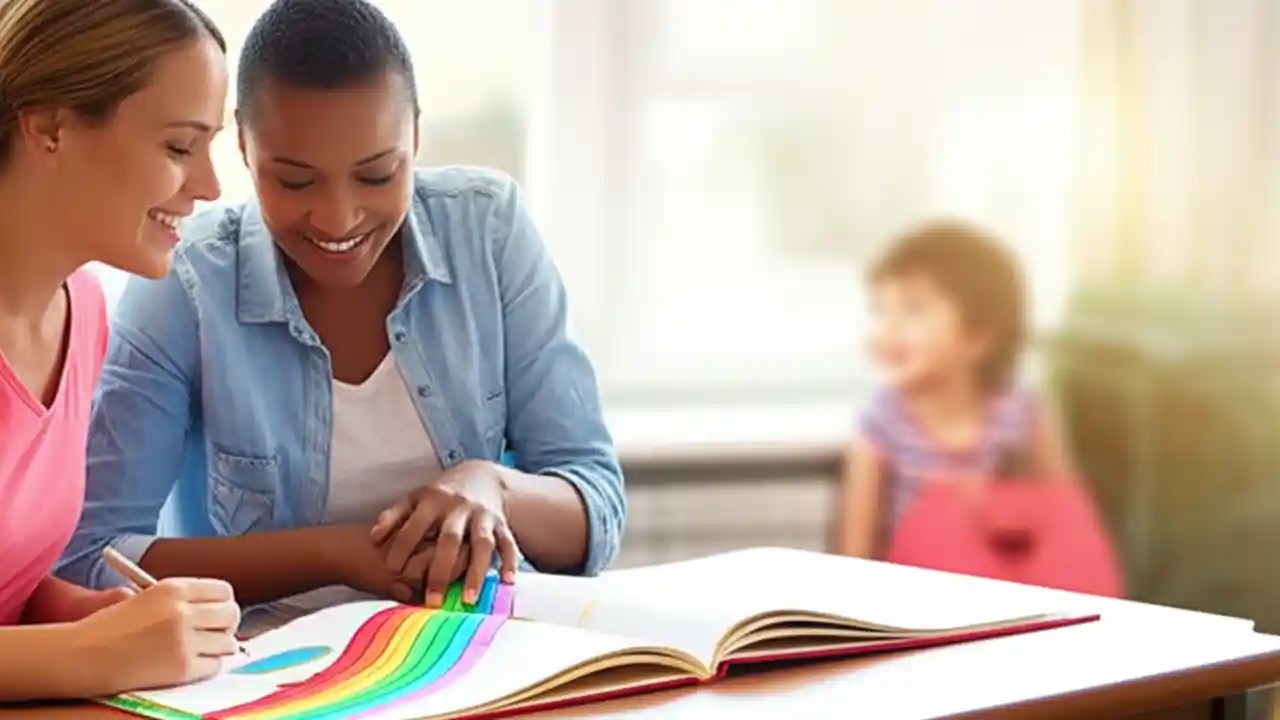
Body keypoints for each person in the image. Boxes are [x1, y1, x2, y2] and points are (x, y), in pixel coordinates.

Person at [59, 0, 626, 634]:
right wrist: (335, 554)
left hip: (473, 650)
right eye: (295, 182)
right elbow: (92, 558)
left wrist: (492, 486)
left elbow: (596, 507)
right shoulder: (186, 283)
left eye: (377, 174)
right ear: (243, 145)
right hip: (265, 666)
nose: (338, 219)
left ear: (415, 136)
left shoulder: (488, 232)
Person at [0, 0, 241, 700]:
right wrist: (81, 652)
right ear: (49, 127)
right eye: (178, 147)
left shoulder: (85, 312)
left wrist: (75, 612)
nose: (210, 186)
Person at [837, 220, 1076, 559]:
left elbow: (1067, 521)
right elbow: (855, 553)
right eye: (880, 311)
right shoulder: (881, 424)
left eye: (912, 310)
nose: (887, 330)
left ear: (977, 338)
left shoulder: (1023, 413)